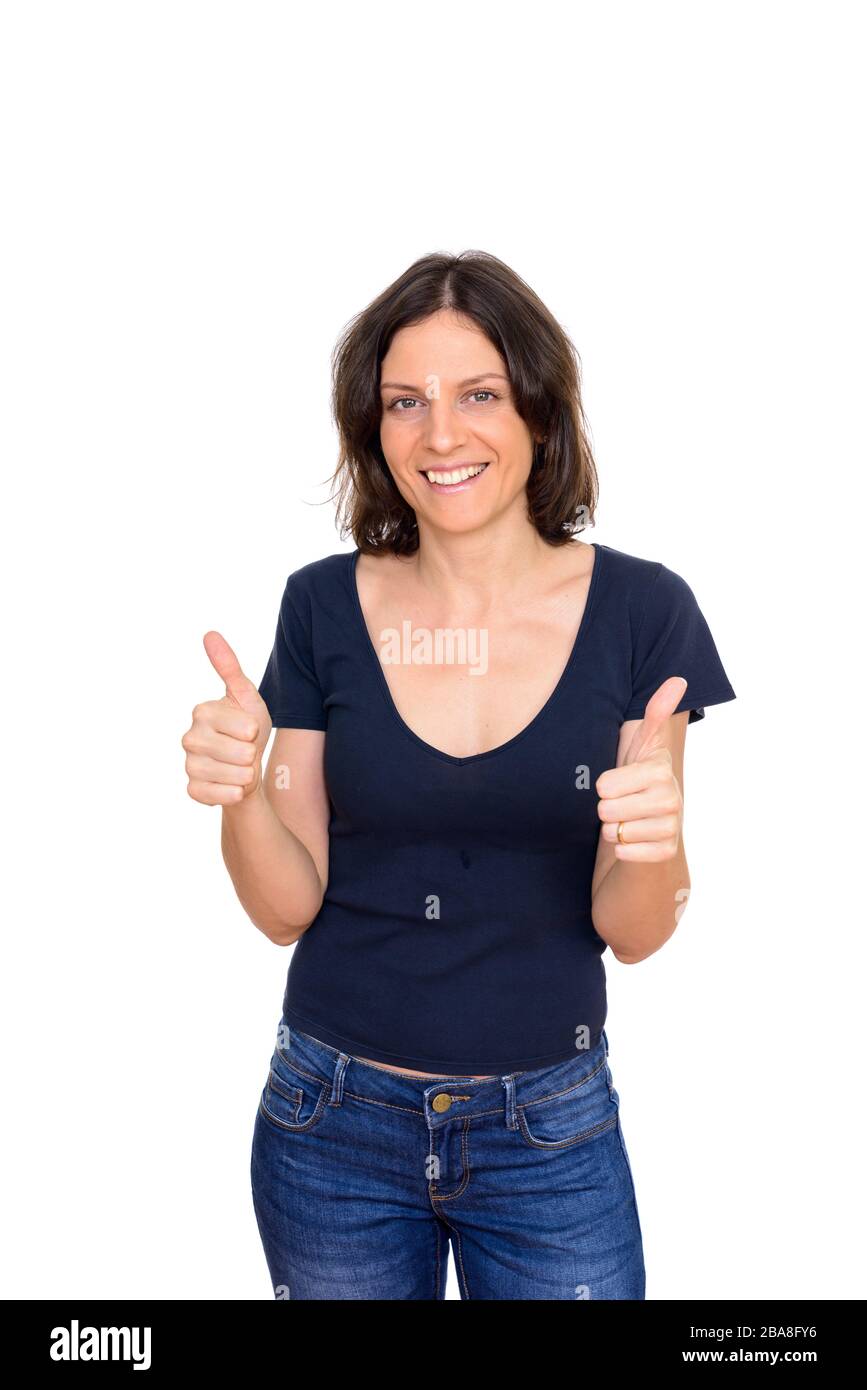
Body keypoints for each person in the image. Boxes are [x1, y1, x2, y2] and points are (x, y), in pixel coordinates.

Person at [181, 250, 736, 1300]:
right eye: (405, 402)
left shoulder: (644, 612)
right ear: (373, 427)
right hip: (329, 1123)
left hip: (551, 1136)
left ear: (538, 409)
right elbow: (286, 906)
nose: (441, 433)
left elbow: (637, 930)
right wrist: (240, 792)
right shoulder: (320, 607)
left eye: (479, 393)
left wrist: (653, 841)